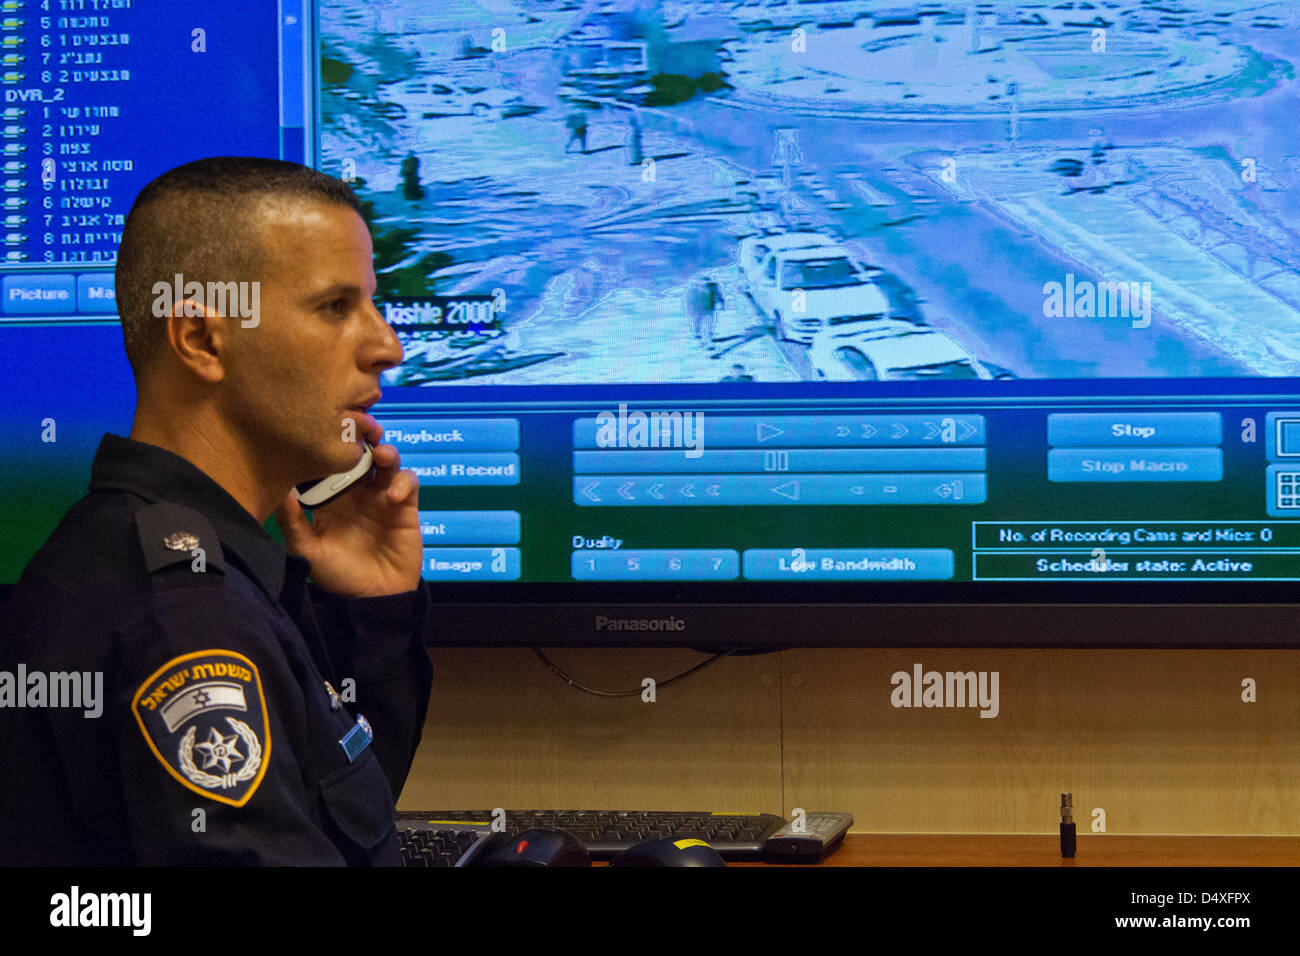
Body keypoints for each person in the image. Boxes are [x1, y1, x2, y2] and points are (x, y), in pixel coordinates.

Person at [0, 157, 433, 865]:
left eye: (374, 304)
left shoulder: (173, 566)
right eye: (335, 307)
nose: (388, 345)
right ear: (201, 339)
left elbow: (339, 825)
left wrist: (373, 616)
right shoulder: (185, 625)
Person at [685, 274, 725, 350]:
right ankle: (700, 342)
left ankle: (708, 342)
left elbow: (719, 295)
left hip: (708, 310)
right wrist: (690, 310)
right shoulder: (694, 288)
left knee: (708, 328)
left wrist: (722, 303)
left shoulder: (713, 286)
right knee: (698, 328)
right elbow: (689, 300)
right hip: (699, 311)